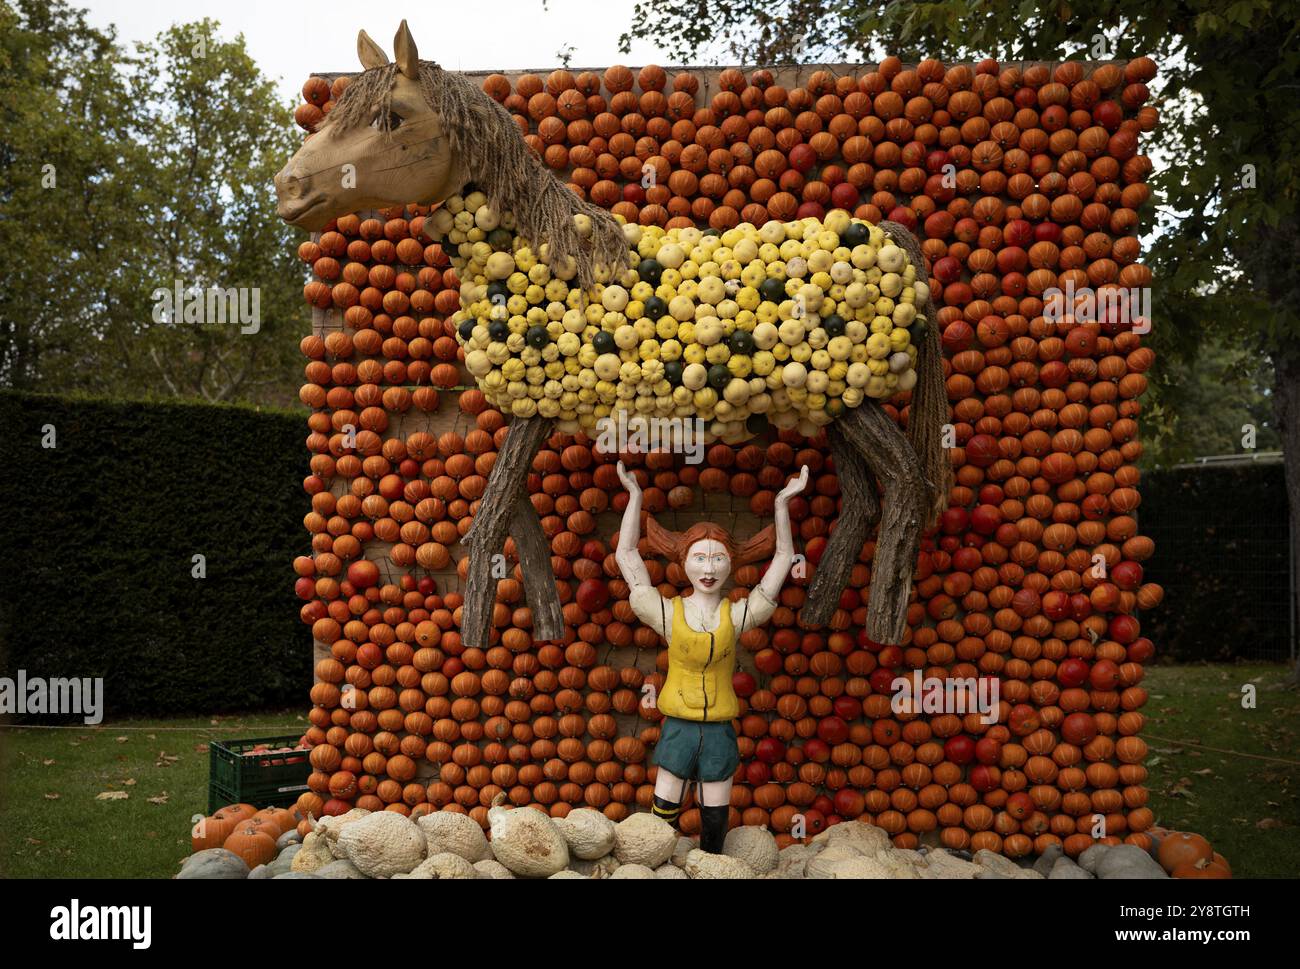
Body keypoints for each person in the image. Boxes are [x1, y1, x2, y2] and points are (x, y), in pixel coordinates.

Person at [613, 459, 809, 854]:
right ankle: (654, 862)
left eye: (717, 558)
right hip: (678, 727)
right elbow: (628, 555)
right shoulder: (668, 613)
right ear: (683, 562)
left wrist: (782, 506)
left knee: (715, 810)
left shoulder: (736, 617)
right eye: (699, 558)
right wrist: (634, 497)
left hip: (719, 729)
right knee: (664, 805)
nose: (708, 568)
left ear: (731, 563)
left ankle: (711, 863)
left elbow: (784, 559)